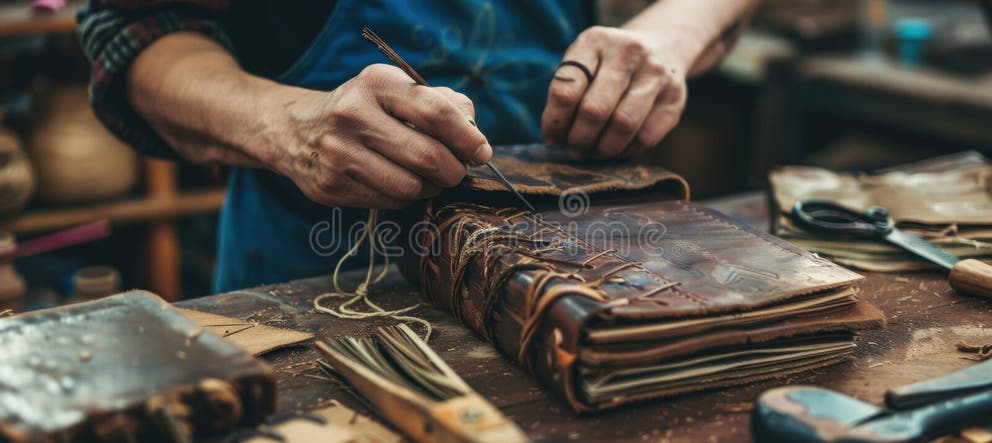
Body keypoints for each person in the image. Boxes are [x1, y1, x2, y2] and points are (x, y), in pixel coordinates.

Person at [78, 0, 756, 292]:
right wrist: (290, 125)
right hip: (318, 278)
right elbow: (134, 25)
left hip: (569, 264)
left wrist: (668, 36)